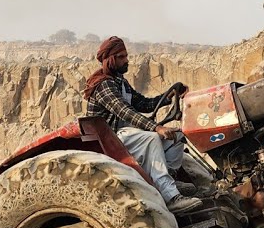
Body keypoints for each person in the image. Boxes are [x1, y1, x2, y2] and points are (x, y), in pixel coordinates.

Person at [84, 36, 206, 214]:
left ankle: (167, 181)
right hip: (111, 139)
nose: (126, 60)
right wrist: (157, 128)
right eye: (121, 57)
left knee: (177, 136)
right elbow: (125, 111)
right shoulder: (103, 85)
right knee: (151, 138)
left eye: (126, 56)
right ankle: (171, 197)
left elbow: (143, 103)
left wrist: (169, 95)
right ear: (110, 60)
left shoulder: (121, 82)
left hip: (127, 135)